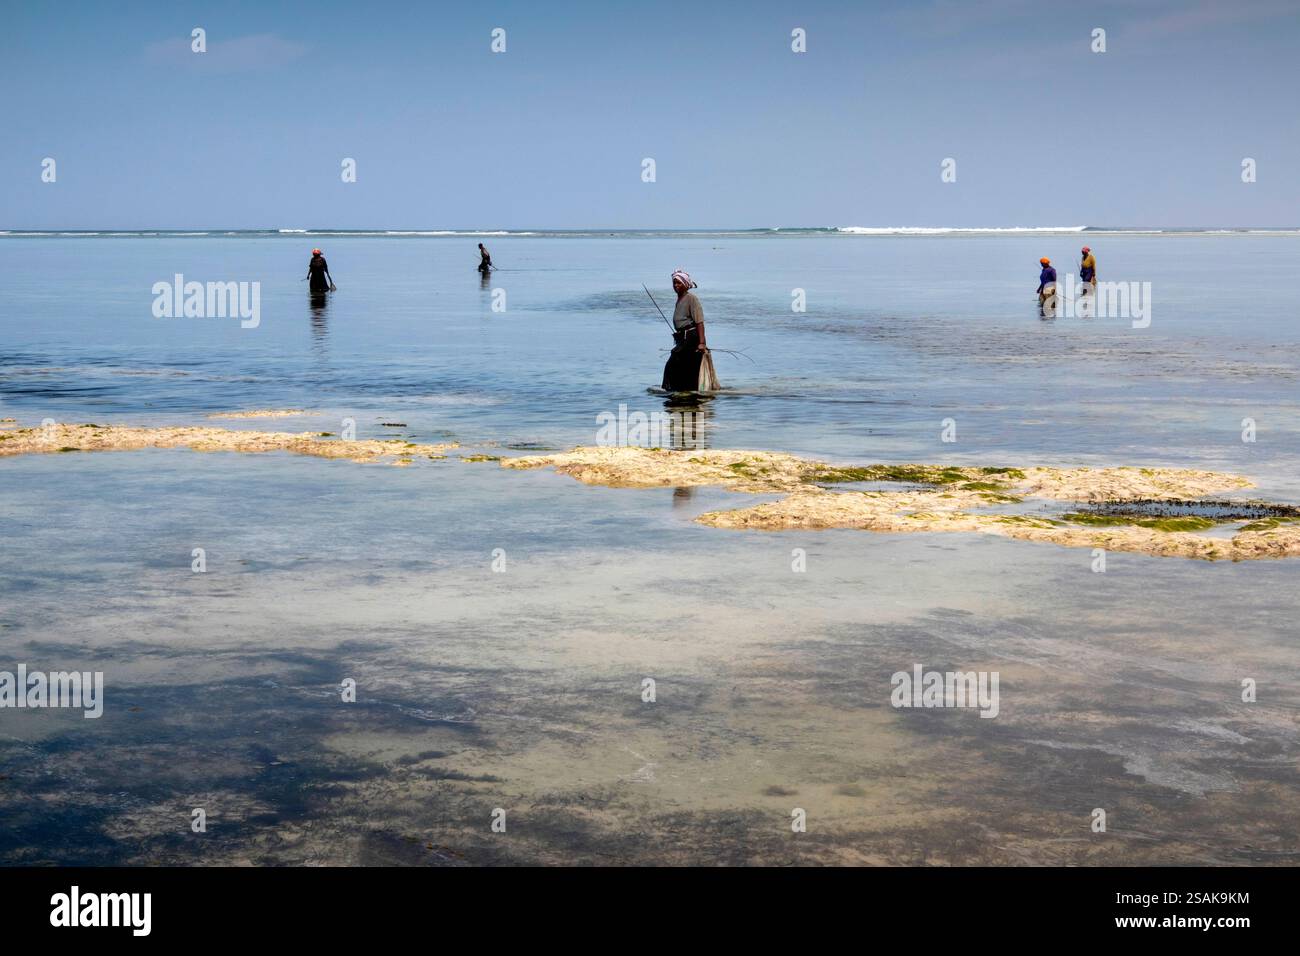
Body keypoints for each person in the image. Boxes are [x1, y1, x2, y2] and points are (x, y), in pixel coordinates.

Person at [661, 269, 716, 392]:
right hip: (682, 339)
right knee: (682, 368)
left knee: (673, 365)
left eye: (679, 283)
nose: (676, 285)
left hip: (691, 339)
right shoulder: (679, 299)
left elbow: (699, 322)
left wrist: (702, 343)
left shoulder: (691, 299)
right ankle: (680, 393)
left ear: (686, 284)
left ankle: (680, 393)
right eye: (674, 283)